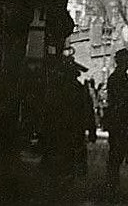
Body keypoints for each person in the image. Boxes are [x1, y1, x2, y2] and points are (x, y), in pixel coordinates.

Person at [42, 58, 97, 199]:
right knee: (69, 163)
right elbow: (88, 111)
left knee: (60, 163)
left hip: (60, 132)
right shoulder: (79, 89)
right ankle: (63, 189)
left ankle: (59, 190)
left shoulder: (56, 88)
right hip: (72, 132)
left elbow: (46, 111)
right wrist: (91, 131)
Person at [105, 48, 128, 192]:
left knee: (117, 153)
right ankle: (112, 186)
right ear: (122, 61)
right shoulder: (118, 78)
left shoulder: (120, 77)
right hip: (119, 120)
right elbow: (122, 100)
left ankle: (113, 184)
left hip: (121, 119)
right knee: (116, 153)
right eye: (127, 59)